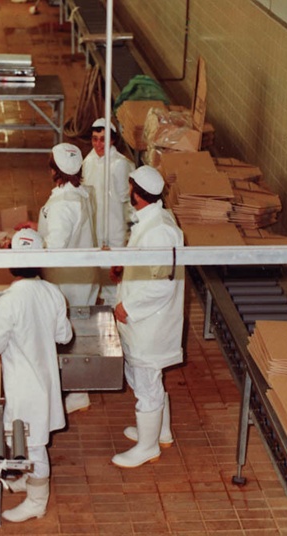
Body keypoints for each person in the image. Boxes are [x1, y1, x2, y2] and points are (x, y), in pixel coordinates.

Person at [0, 228, 73, 523]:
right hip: (46, 382)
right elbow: (64, 336)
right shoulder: (53, 292)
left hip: (24, 387)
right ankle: (29, 479)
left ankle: (37, 502)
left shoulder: (9, 299)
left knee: (34, 446)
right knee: (31, 439)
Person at [110, 165, 185, 469]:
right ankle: (159, 431)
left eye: (130, 187)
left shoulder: (160, 231)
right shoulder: (154, 219)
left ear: (137, 194)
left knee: (146, 381)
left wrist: (128, 307)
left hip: (150, 321)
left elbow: (161, 285)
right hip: (145, 320)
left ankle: (148, 446)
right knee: (148, 378)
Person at [20, 142, 98, 414]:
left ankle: (78, 393)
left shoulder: (64, 204)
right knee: (74, 328)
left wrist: (26, 246)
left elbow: (54, 248)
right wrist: (37, 228)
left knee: (69, 332)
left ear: (55, 170)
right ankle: (76, 388)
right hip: (81, 274)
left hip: (68, 280)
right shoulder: (79, 193)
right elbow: (66, 230)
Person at [81, 117, 134, 306]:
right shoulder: (89, 160)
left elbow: (127, 201)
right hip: (95, 226)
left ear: (112, 140)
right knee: (98, 272)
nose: (98, 144)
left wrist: (129, 231)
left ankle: (114, 309)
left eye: (103, 139)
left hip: (114, 228)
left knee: (114, 275)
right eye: (95, 139)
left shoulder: (119, 164)